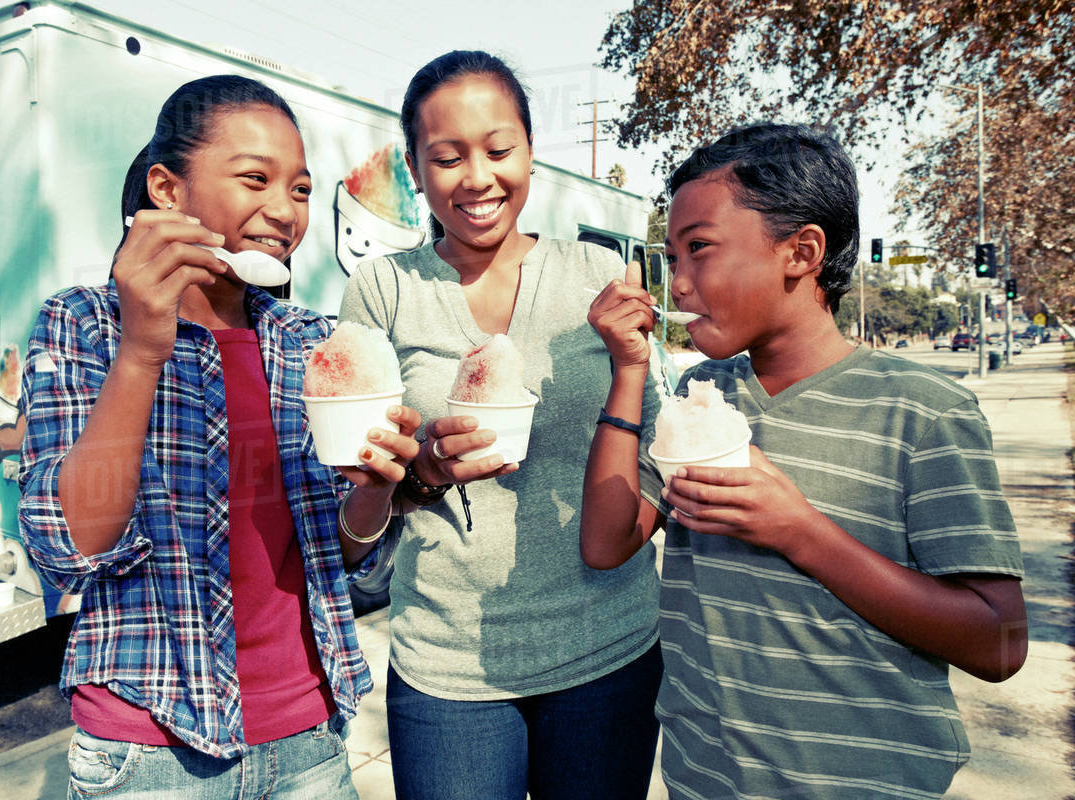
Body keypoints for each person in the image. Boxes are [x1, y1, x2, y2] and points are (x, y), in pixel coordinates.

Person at [582, 122, 1028, 799]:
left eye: (699, 250)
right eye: (671, 259)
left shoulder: (924, 412)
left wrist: (800, 531)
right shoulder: (698, 400)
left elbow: (999, 644)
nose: (677, 285)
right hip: (706, 780)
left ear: (803, 252)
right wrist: (629, 371)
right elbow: (606, 543)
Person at [17, 74, 419, 800]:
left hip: (308, 742)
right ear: (168, 191)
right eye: (255, 179)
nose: (285, 212)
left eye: (300, 189)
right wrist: (144, 348)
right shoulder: (84, 324)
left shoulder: (309, 341)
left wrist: (376, 494)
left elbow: (347, 553)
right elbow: (70, 549)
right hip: (148, 751)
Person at [339, 50, 663, 800]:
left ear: (530, 154)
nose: (477, 177)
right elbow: (357, 514)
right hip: (447, 668)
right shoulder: (383, 290)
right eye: (447, 156)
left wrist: (626, 528)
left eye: (499, 149)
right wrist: (421, 471)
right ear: (416, 171)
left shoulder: (596, 274)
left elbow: (656, 448)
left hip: (608, 653)